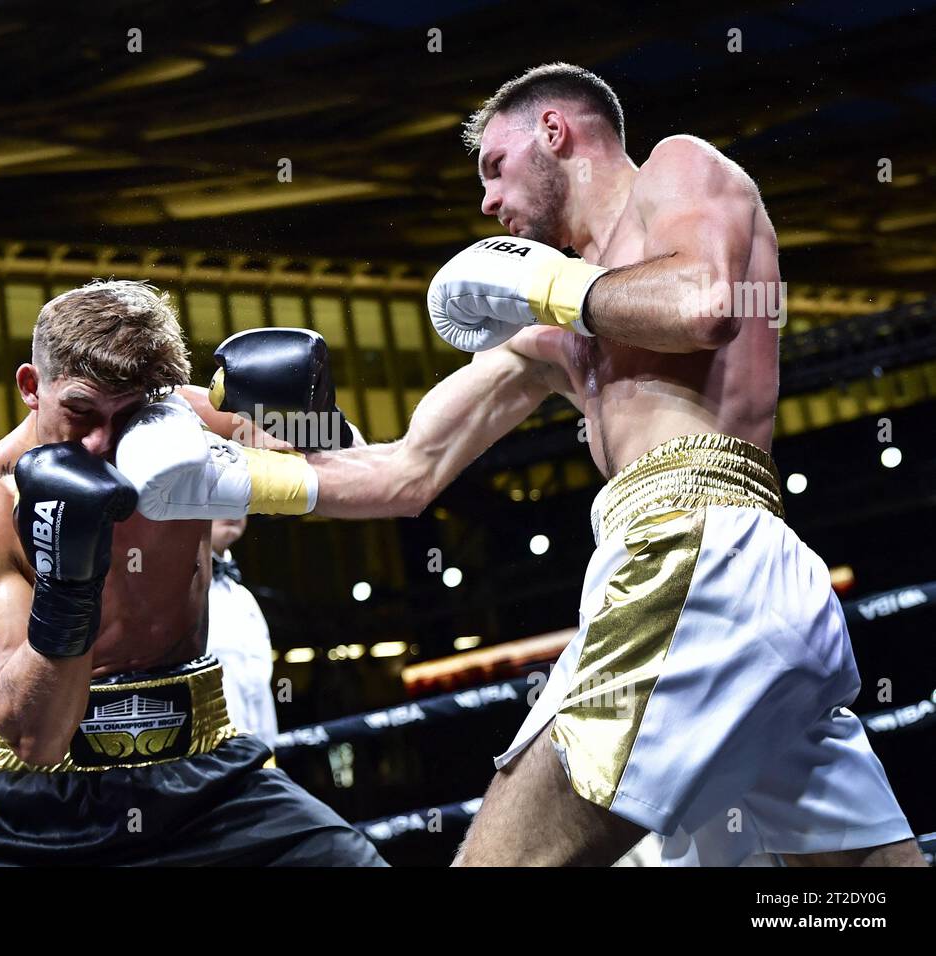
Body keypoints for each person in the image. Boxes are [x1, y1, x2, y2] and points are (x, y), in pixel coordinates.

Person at [177, 63, 924, 867]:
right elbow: (404, 472)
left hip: (696, 558)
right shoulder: (553, 333)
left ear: (555, 131)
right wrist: (225, 466)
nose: (488, 205)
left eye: (494, 169)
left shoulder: (678, 168)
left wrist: (545, 281)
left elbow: (703, 305)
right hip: (745, 604)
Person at [0, 279, 385, 866]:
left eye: (131, 415)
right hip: (29, 802)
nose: (104, 444)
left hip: (206, 773)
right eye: (81, 412)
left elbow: (359, 473)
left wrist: (318, 418)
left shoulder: (186, 425)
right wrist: (69, 584)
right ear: (32, 387)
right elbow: (34, 737)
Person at [206, 517, 279, 744]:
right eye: (218, 498)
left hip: (259, 759)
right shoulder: (172, 595)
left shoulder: (242, 597)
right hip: (206, 766)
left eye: (239, 501)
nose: (232, 509)